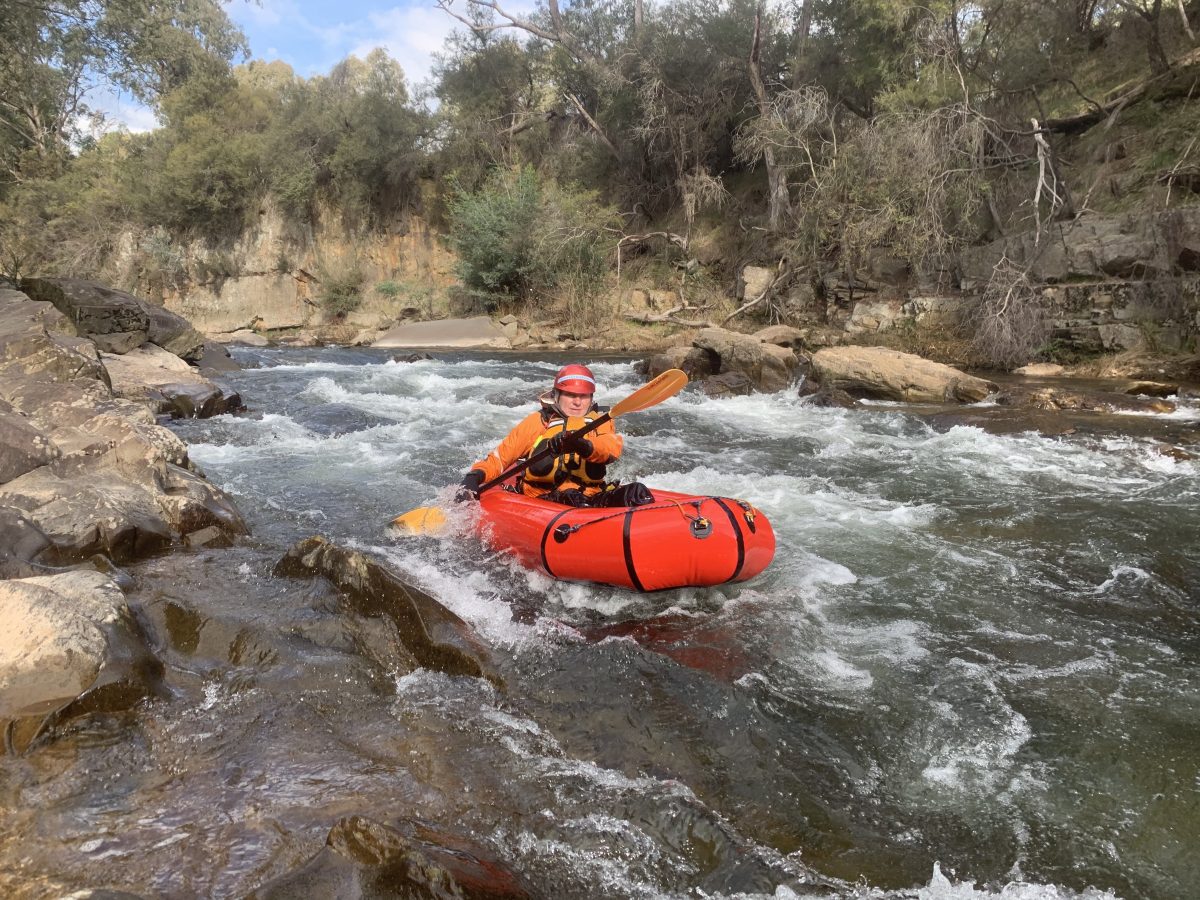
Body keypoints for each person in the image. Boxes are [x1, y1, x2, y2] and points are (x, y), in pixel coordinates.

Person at [456, 364, 654, 508]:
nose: (577, 402)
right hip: (544, 501)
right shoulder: (538, 422)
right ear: (557, 396)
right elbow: (500, 459)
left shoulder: (601, 422)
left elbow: (611, 448)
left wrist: (582, 445)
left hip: (592, 498)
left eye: (584, 396)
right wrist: (475, 476)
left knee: (638, 492)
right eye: (570, 395)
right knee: (570, 498)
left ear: (591, 399)